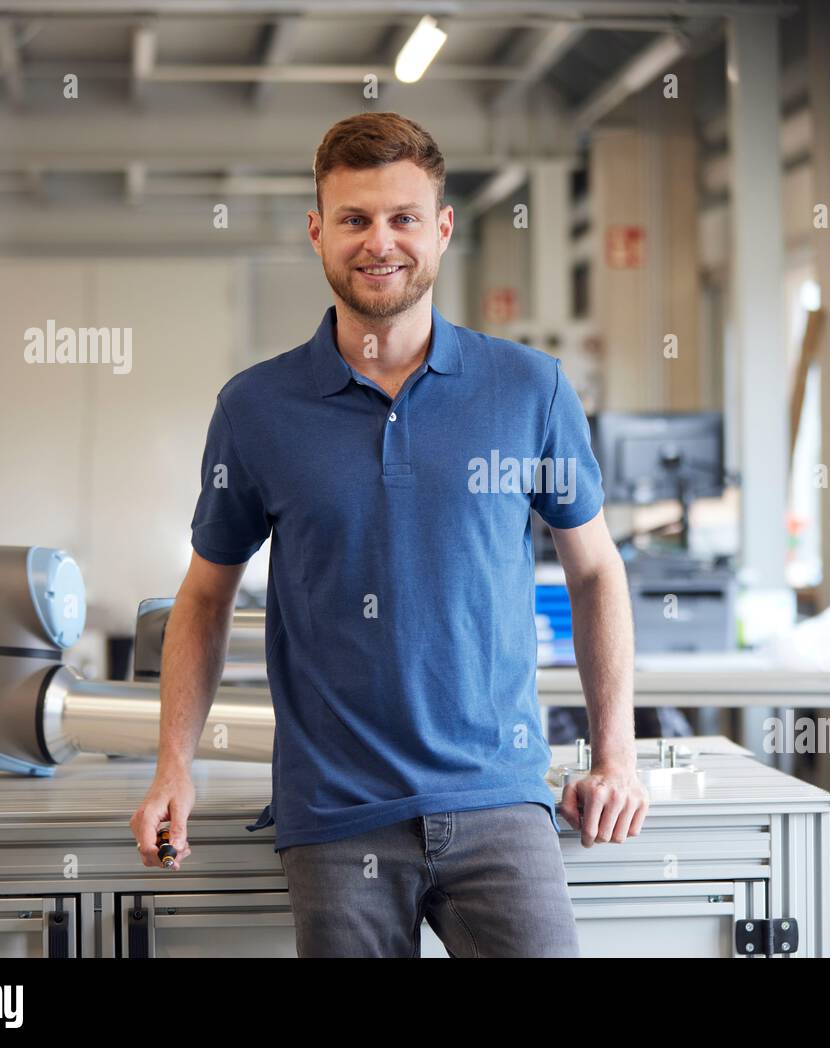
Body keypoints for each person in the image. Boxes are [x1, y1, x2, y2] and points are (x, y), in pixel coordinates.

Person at [129, 112, 647, 957]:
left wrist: (615, 756)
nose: (381, 242)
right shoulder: (256, 410)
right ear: (317, 232)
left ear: (442, 229)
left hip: (500, 800)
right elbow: (205, 595)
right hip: (337, 817)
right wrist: (173, 766)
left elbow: (594, 573)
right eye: (355, 218)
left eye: (404, 217)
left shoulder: (529, 389)